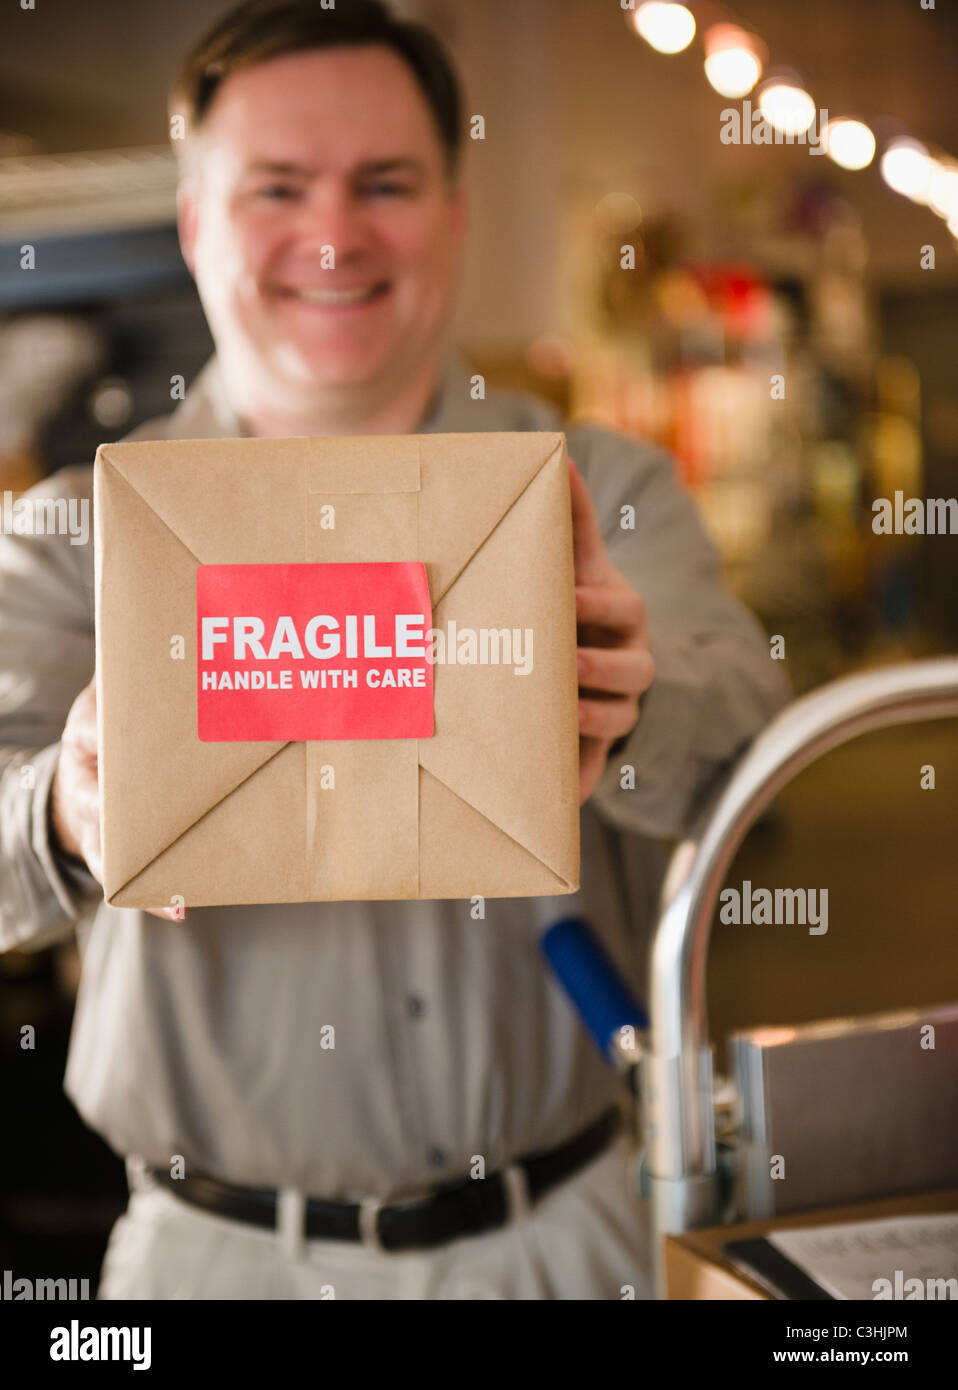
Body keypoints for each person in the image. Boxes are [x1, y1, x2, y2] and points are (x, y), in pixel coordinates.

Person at [0, 0, 789, 1300]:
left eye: (385, 183)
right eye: (275, 188)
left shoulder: (600, 489)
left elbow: (755, 747)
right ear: (198, 224)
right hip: (215, 1259)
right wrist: (67, 813)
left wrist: (638, 706)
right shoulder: (75, 535)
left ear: (455, 212)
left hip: (566, 1236)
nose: (332, 233)